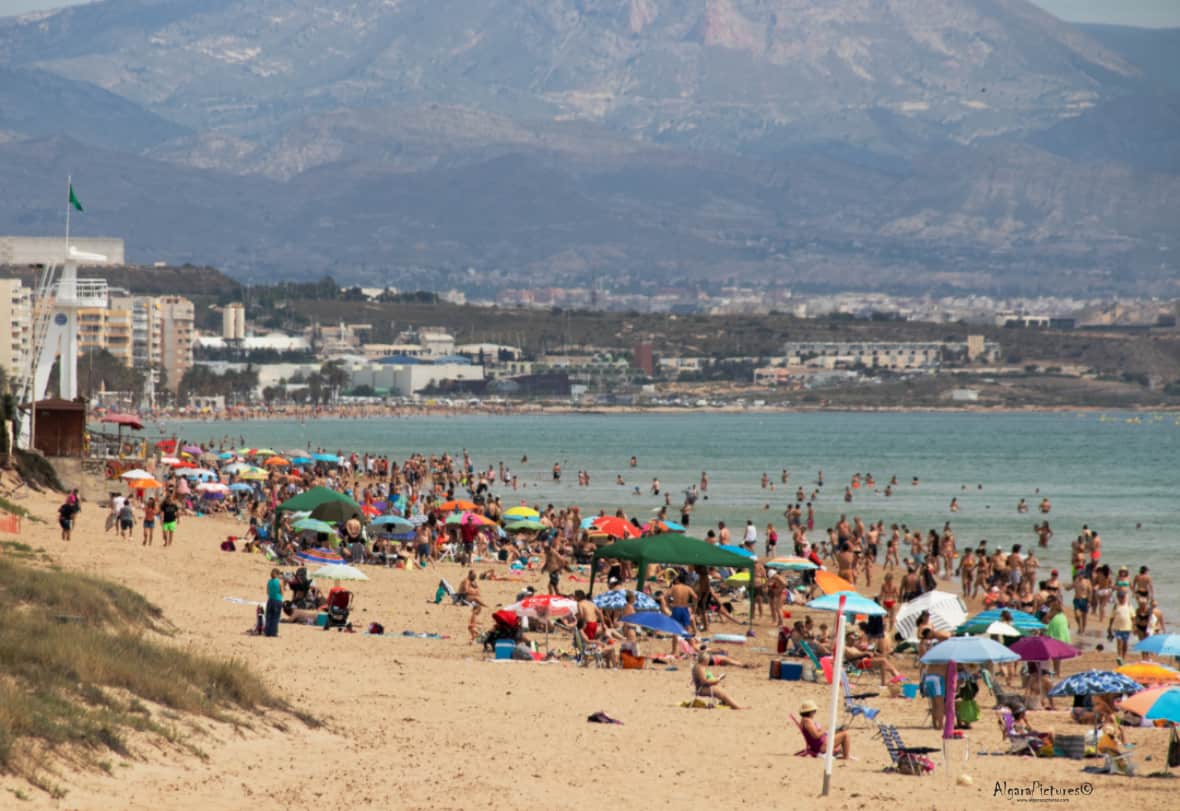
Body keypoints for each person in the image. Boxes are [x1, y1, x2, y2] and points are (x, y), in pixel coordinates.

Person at [1107, 590, 1134, 660]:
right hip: (1118, 627)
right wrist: (1110, 626)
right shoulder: (1116, 606)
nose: (1121, 599)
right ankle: (1119, 656)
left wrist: (1135, 626)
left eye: (1123, 597)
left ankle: (1124, 656)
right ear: (1118, 598)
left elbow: (1133, 617)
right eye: (1120, 597)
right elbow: (1112, 617)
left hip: (1127, 627)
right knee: (1119, 642)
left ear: (1125, 597)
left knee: (1125, 643)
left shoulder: (1129, 605)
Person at [264, 568, 283, 637]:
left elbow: (268, 592)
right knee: (275, 617)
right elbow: (282, 592)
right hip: (277, 600)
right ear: (278, 575)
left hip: (270, 600)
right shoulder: (279, 582)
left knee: (269, 616)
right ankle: (274, 632)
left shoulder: (269, 581)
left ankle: (267, 632)